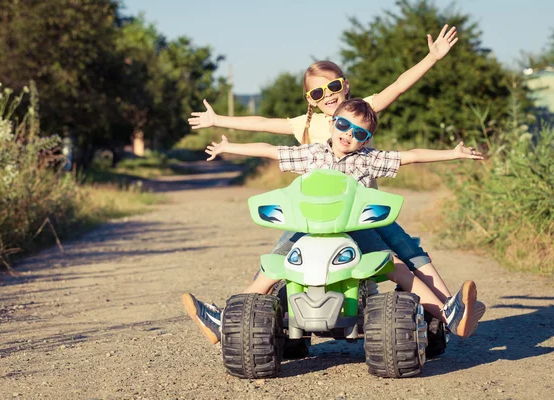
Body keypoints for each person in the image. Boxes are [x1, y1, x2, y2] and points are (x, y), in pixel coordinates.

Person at [183, 25, 482, 344]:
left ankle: (448, 310)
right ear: (310, 101)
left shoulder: (360, 120)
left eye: (334, 86)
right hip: (312, 218)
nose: (329, 97)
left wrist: (432, 60)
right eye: (318, 93)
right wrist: (221, 127)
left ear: (346, 87)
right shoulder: (311, 140)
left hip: (360, 217)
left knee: (406, 256)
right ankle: (228, 319)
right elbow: (266, 137)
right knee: (274, 264)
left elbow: (399, 105)